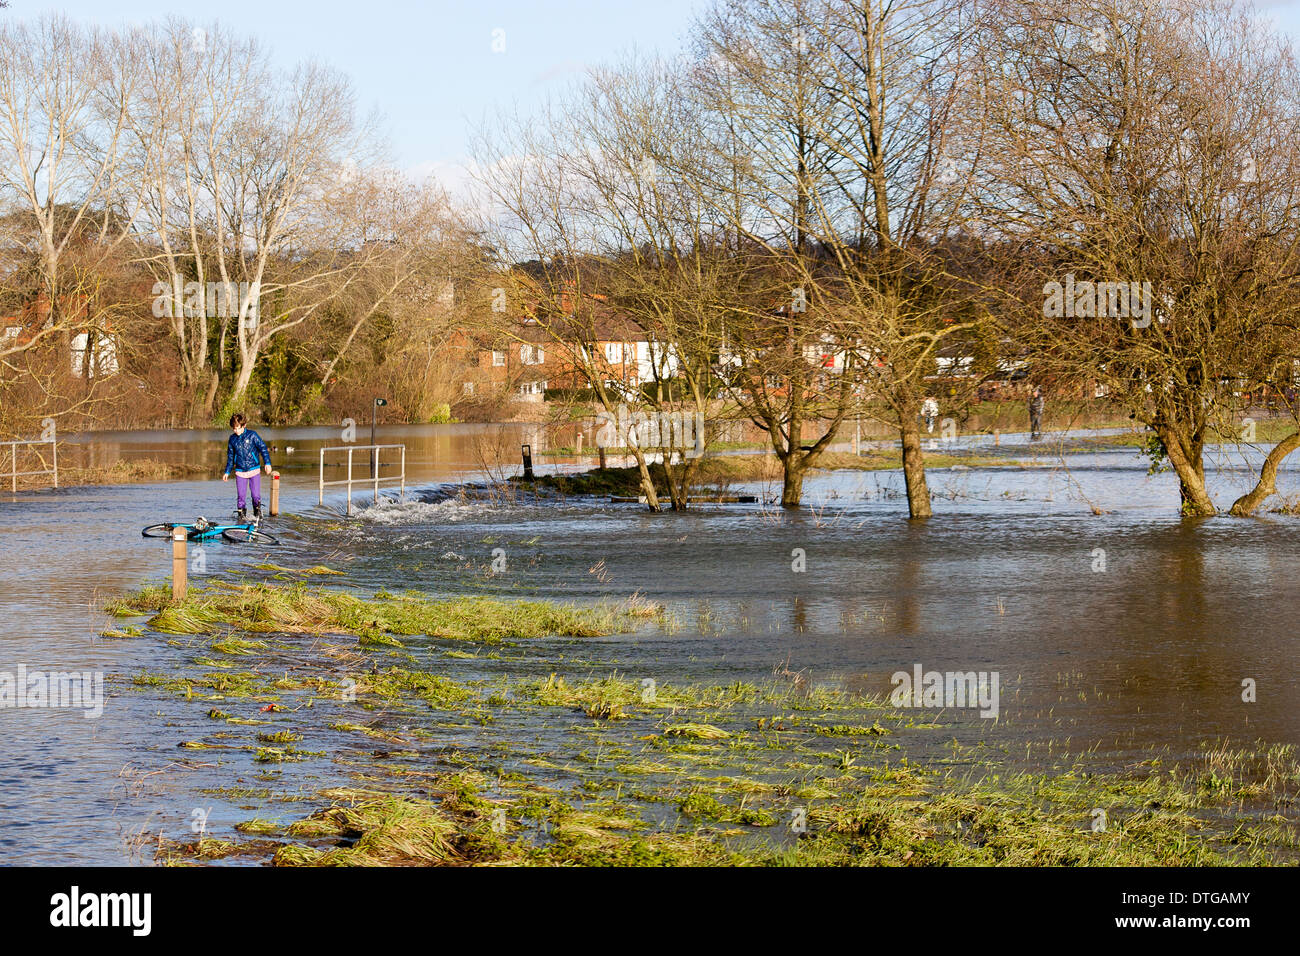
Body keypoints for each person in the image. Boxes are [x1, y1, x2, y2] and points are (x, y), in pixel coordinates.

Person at [222, 413, 272, 520]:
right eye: (234, 429)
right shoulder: (232, 439)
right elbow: (230, 457)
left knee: (255, 495)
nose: (236, 431)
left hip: (254, 469)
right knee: (241, 497)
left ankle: (257, 514)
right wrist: (227, 472)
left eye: (238, 428)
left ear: (244, 425)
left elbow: (263, 448)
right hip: (240, 471)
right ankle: (241, 517)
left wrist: (267, 463)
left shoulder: (252, 435)